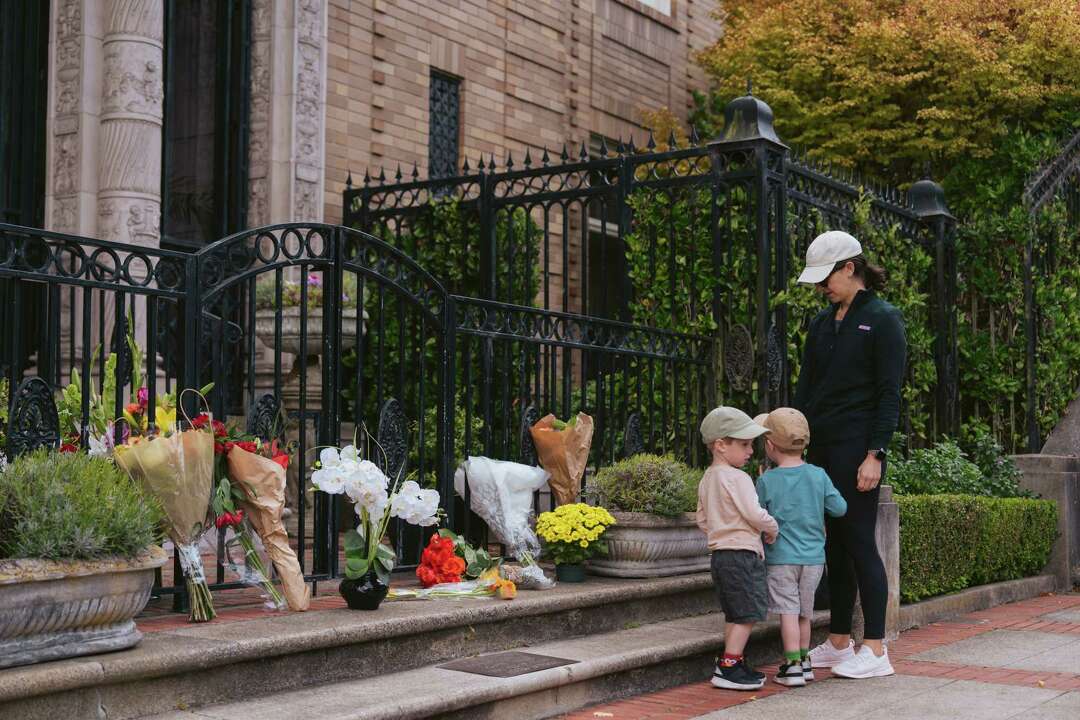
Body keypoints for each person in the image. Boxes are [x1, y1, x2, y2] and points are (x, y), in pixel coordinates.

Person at [794, 230, 906, 679]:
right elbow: (806, 390)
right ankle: (839, 641)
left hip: (859, 449)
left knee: (859, 541)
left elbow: (889, 393)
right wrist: (793, 446)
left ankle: (876, 649)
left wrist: (875, 453)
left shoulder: (883, 319)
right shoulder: (821, 324)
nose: (822, 287)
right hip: (820, 449)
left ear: (849, 268)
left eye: (827, 277)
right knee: (834, 546)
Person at [753, 408, 847, 687]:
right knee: (805, 612)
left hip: (781, 559)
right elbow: (840, 508)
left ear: (770, 445)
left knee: (788, 613)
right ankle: (805, 662)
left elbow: (758, 516)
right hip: (814, 559)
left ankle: (792, 665)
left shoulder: (766, 480)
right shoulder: (818, 475)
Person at [696, 406, 779, 691]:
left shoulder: (708, 478)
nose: (750, 451)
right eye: (744, 445)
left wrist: (720, 534)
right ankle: (729, 667)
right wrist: (772, 528)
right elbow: (754, 513)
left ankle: (733, 660)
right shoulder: (738, 478)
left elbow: (702, 519)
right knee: (747, 614)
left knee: (735, 613)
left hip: (720, 555)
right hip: (743, 555)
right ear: (721, 445)